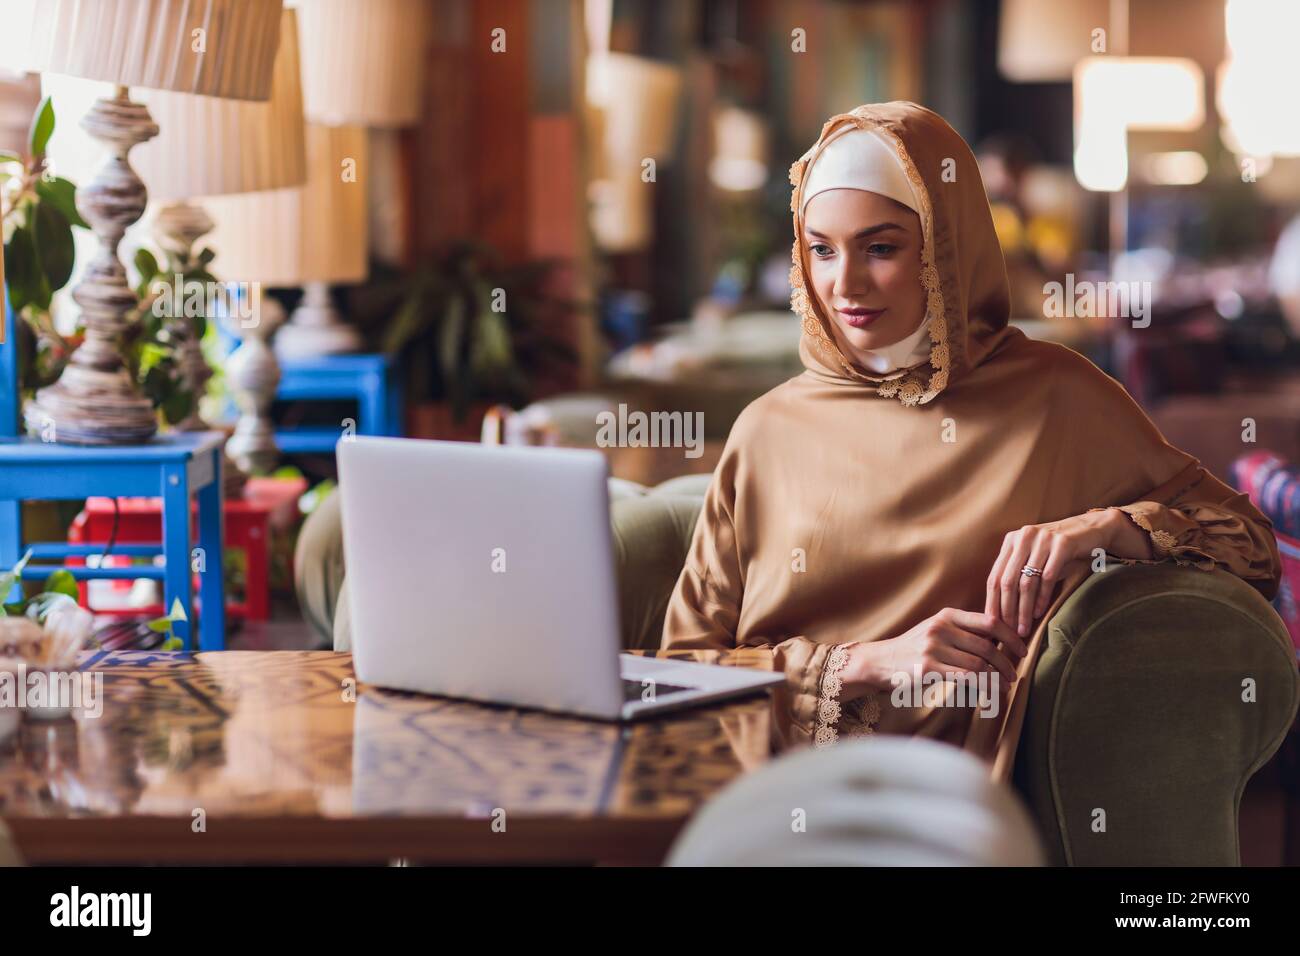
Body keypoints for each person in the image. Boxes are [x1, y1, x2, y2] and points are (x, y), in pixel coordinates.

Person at [660, 102, 1281, 774]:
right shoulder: (766, 429)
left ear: (946, 245)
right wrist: (864, 664)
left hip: (945, 803)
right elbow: (682, 670)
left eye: (881, 247)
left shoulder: (1055, 398)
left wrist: (1106, 530)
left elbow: (1250, 550)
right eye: (821, 249)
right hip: (758, 786)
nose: (845, 284)